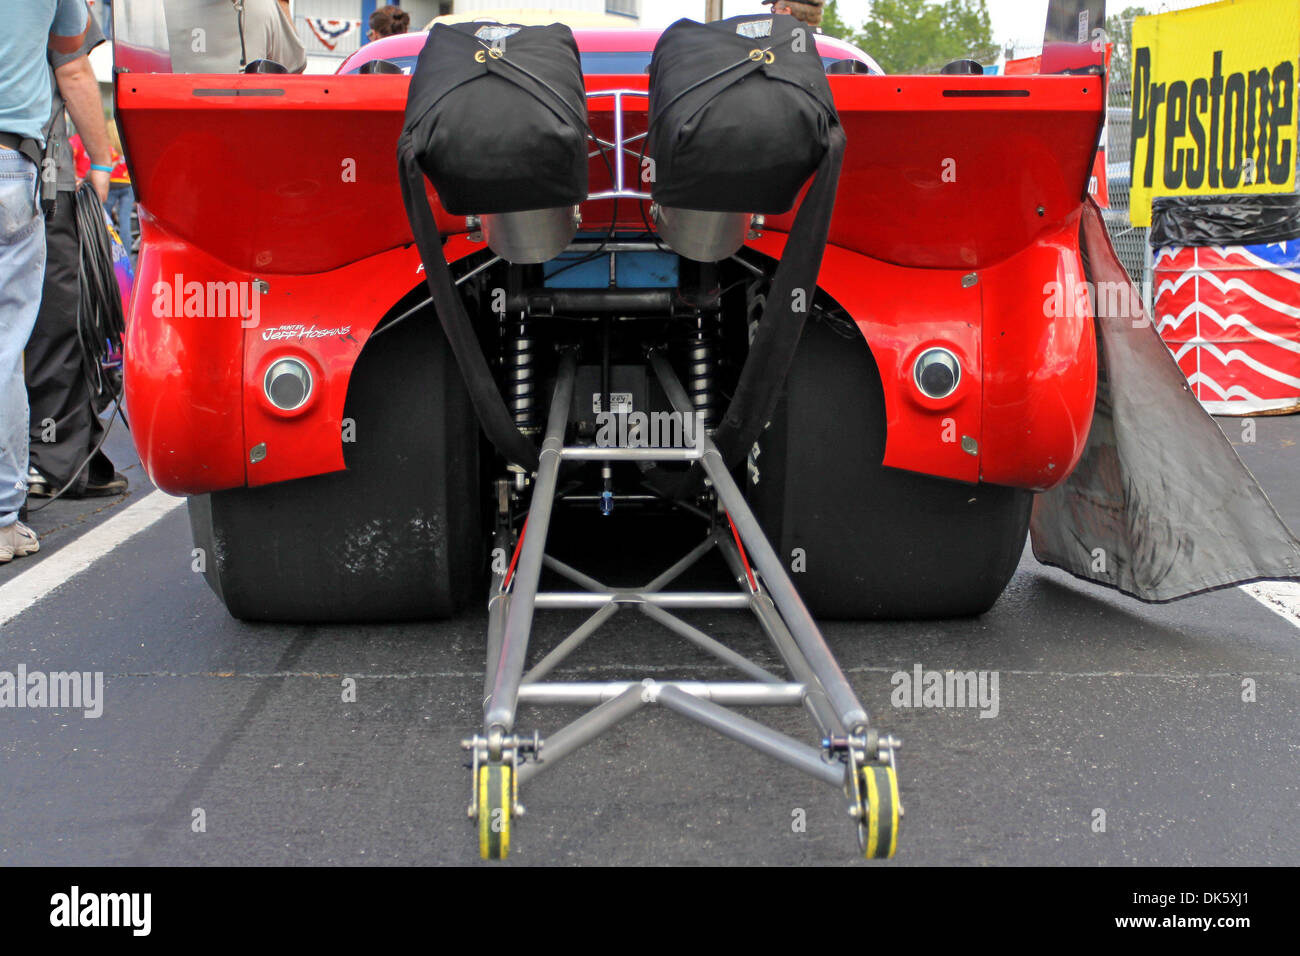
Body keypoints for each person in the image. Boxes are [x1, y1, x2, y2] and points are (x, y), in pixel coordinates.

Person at [0, 0, 93, 563]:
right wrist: (102, 163)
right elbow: (74, 63)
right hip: (9, 160)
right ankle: (2, 519)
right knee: (5, 345)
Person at [26, 8, 129, 503]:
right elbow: (72, 69)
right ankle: (47, 458)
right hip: (35, 174)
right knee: (55, 326)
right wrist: (103, 161)